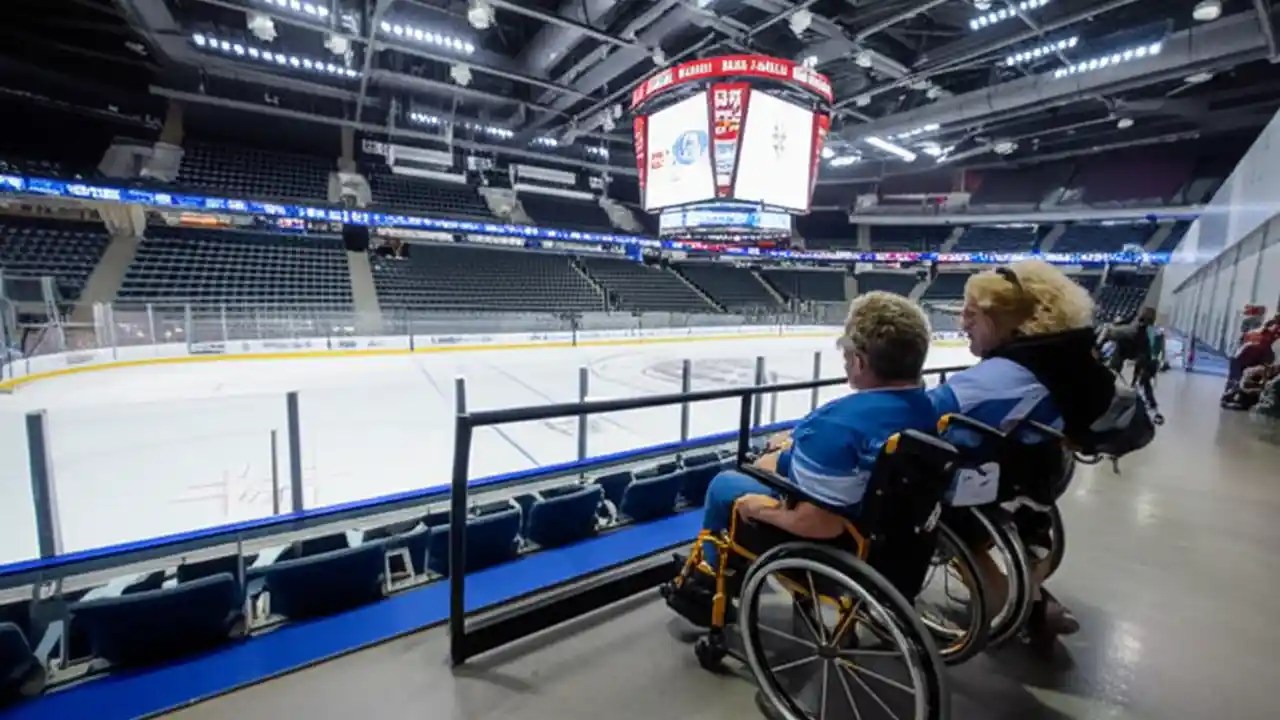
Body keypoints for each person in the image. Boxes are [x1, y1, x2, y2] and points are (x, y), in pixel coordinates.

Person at [930, 260, 1120, 638]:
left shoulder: (995, 380)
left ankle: (1004, 598)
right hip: (1037, 479)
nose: (962, 323)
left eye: (971, 314)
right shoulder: (1073, 364)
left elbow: (910, 416)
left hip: (979, 492)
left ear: (1006, 319)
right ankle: (1031, 591)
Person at [691, 291, 939, 572]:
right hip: (891, 536)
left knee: (725, 483)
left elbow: (817, 523)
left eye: (847, 355)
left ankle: (708, 574)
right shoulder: (928, 409)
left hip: (838, 543)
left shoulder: (836, 424)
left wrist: (759, 509)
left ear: (859, 361)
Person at [1106, 307, 1165, 424]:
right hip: (1125, 350)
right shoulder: (1134, 327)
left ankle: (1150, 407)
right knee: (1115, 371)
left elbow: (1114, 332)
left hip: (1136, 352)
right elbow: (1115, 332)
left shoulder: (1142, 332)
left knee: (1144, 380)